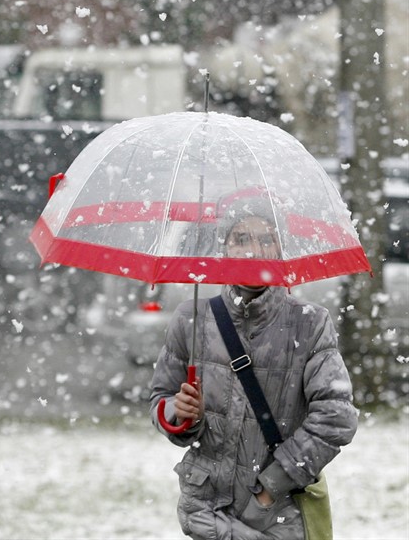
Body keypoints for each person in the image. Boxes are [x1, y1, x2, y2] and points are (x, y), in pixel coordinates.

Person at [149, 188, 358, 540]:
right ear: (224, 247)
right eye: (241, 238)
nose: (253, 250)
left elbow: (336, 418)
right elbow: (161, 400)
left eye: (266, 239)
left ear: (280, 248)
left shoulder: (309, 324)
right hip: (207, 515)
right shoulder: (191, 319)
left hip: (278, 519)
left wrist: (269, 490)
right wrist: (180, 414)